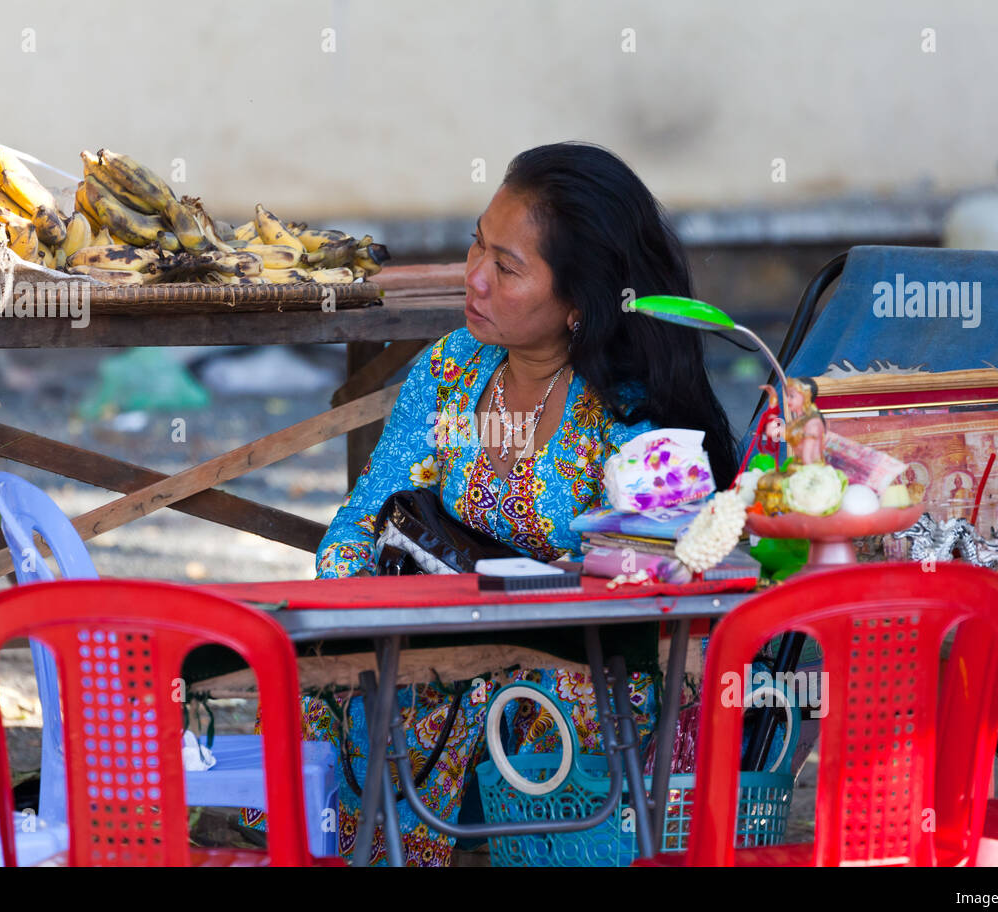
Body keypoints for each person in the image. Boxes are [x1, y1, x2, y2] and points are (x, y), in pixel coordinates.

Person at [274, 143, 738, 865]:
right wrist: (350, 593)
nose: (475, 280)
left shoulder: (632, 422)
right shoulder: (453, 371)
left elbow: (653, 581)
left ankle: (501, 839)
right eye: (476, 247)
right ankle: (376, 839)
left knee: (550, 694)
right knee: (324, 668)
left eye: (508, 268)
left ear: (580, 303)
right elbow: (364, 513)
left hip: (578, 659)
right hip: (431, 641)